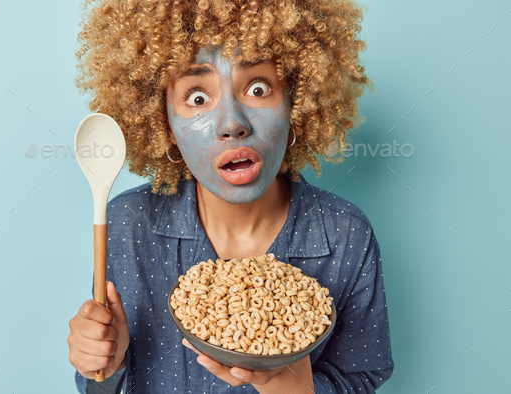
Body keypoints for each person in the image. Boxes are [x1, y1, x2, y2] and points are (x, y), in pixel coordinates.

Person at [68, 0, 394, 393]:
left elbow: (361, 376)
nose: (232, 124)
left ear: (295, 100)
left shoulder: (346, 235)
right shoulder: (126, 224)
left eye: (258, 88)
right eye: (197, 98)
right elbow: (100, 386)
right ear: (164, 121)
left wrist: (290, 384)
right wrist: (105, 364)